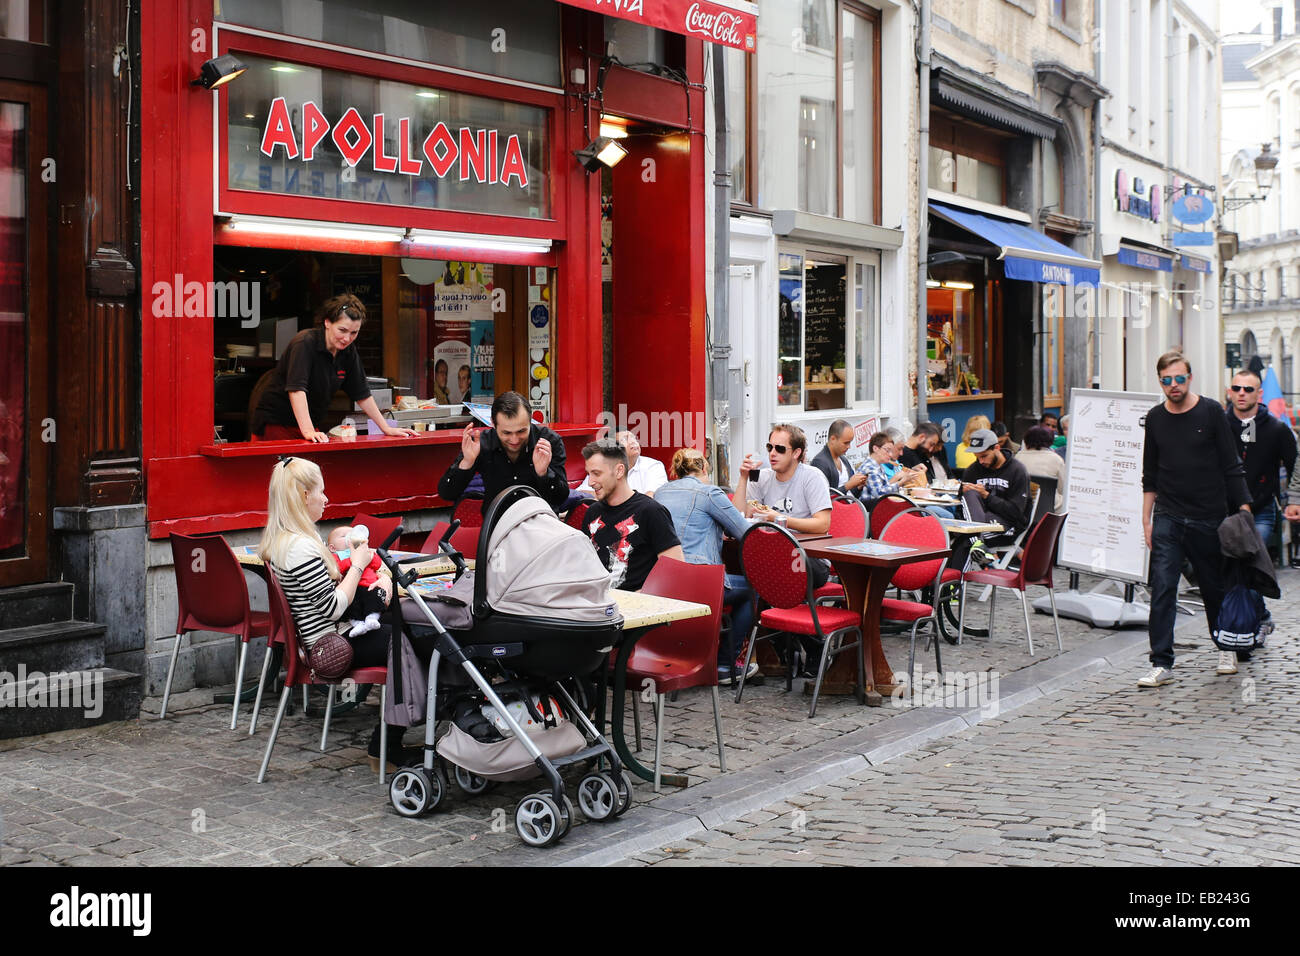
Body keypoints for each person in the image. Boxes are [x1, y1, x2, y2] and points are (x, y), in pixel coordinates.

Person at [260, 457, 428, 772]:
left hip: (329, 635)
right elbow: (333, 606)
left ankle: (396, 737)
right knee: (415, 640)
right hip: (331, 643)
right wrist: (361, 564)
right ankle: (389, 745)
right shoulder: (300, 548)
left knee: (415, 623)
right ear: (303, 496)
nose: (326, 499)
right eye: (321, 492)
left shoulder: (287, 541)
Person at [1140, 351, 1252, 687]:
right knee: (1162, 586)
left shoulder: (1211, 411)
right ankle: (1161, 662)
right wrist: (1146, 519)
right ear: (1159, 381)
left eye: (1179, 378)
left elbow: (1231, 464)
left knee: (1213, 586)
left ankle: (1225, 647)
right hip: (1168, 516)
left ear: (1190, 378)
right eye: (1166, 380)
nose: (1173, 386)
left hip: (1208, 516)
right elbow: (1150, 474)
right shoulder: (1155, 418)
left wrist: (1244, 509)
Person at [654, 448, 760, 681]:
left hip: (662, 581)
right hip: (698, 582)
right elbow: (745, 532)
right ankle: (724, 664)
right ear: (704, 468)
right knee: (752, 590)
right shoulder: (710, 493)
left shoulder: (661, 492)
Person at [250, 294, 417, 442]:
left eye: (354, 333)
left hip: (307, 426)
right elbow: (296, 390)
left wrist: (386, 428)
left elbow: (362, 394)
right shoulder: (305, 343)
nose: (347, 338)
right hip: (276, 424)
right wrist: (308, 430)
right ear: (327, 322)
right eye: (342, 330)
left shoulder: (348, 352)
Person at [1226, 368, 1296, 648]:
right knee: (1234, 568)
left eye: (1248, 389)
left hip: (1261, 509)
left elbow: (1295, 465)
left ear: (1259, 394)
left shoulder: (1276, 429)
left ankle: (1246, 627)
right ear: (1230, 391)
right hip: (1226, 510)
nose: (1241, 393)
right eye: (1236, 388)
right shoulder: (1219, 424)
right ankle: (1259, 616)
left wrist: (1293, 500)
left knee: (1249, 559)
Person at [733, 424, 833, 588]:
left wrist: (777, 518)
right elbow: (737, 516)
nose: (772, 453)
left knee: (761, 566)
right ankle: (760, 610)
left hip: (808, 557)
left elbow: (823, 524)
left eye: (780, 449)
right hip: (772, 553)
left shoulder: (812, 477)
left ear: (796, 453)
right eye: (769, 447)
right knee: (739, 559)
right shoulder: (763, 476)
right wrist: (743, 478)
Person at [438, 390, 570, 515]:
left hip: (542, 523)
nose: (514, 439)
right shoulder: (482, 443)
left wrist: (544, 474)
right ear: (493, 424)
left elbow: (560, 498)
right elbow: (447, 493)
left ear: (530, 421)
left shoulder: (549, 441)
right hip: (498, 526)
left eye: (521, 431)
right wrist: (467, 463)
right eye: (506, 433)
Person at [580, 439, 683, 592]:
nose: (590, 482)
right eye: (589, 474)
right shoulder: (592, 512)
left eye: (596, 473)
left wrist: (639, 598)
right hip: (597, 608)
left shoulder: (651, 511)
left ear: (619, 471)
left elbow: (675, 570)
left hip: (640, 610)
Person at [953, 429, 1031, 570]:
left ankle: (948, 586)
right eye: (977, 457)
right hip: (980, 521)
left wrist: (986, 496)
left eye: (984, 456)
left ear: (996, 448)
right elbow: (963, 506)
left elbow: (1016, 513)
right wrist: (961, 492)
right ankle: (977, 545)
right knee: (970, 494)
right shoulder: (973, 470)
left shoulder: (1017, 470)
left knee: (965, 538)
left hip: (1008, 525)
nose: (981, 461)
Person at [325, 525, 393, 636]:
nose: (351, 538)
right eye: (344, 536)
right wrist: (354, 560)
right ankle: (357, 624)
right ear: (332, 547)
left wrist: (369, 554)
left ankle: (372, 619)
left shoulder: (363, 551)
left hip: (369, 585)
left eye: (353, 534)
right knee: (351, 607)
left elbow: (377, 564)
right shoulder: (336, 556)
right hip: (352, 589)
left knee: (374, 598)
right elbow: (337, 570)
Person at [575, 430, 668, 497]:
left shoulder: (653, 466)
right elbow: (581, 493)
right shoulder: (602, 466)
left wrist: (607, 495)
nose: (633, 442)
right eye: (624, 439)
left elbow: (651, 497)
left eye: (633, 438)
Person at [859, 431, 926, 502]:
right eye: (887, 450)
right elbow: (878, 494)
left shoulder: (878, 466)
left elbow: (885, 487)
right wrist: (901, 482)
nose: (890, 455)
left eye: (891, 451)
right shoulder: (870, 467)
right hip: (875, 507)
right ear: (875, 449)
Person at [810, 419, 869, 498]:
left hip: (850, 506)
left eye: (850, 442)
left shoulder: (843, 460)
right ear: (833, 439)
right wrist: (848, 485)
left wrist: (858, 486)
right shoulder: (819, 462)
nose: (849, 446)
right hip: (835, 509)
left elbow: (850, 495)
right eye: (846, 443)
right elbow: (822, 498)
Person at [1015, 425, 1066, 510]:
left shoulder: (1018, 456)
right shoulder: (1056, 459)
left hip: (1023, 506)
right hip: (1051, 507)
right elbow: (1062, 488)